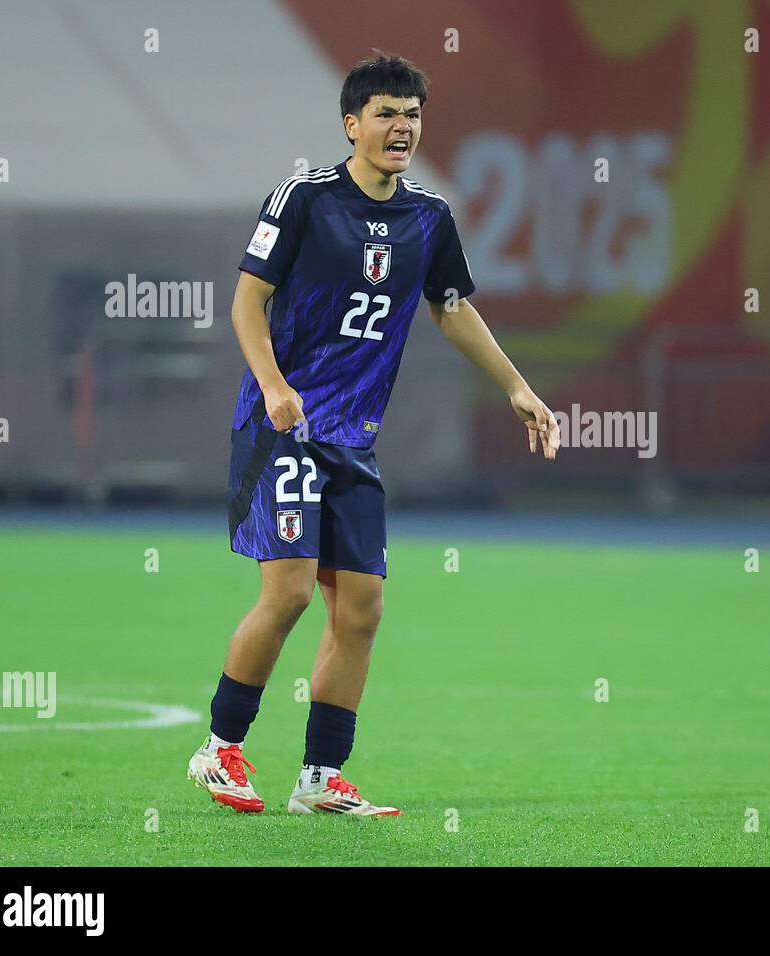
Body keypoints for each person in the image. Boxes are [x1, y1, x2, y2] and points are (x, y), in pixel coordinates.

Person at [187, 52, 559, 816]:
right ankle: (220, 749)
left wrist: (516, 386)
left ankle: (321, 777)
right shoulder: (304, 199)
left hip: (352, 439)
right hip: (282, 423)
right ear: (352, 124)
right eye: (386, 113)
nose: (402, 128)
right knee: (288, 594)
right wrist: (274, 387)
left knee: (361, 609)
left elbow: (451, 308)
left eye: (413, 114)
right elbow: (246, 304)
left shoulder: (429, 217)